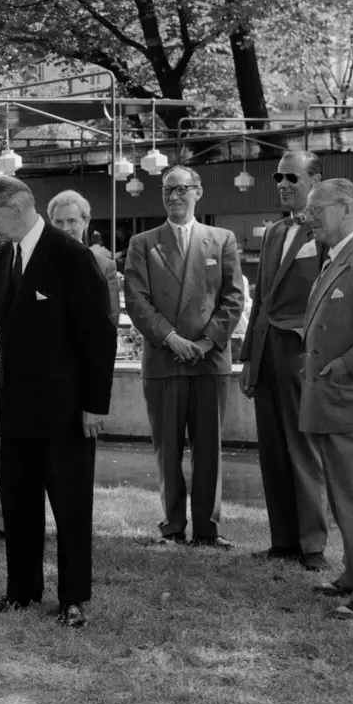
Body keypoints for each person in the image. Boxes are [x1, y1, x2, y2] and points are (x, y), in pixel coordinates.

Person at [0, 175, 116, 628]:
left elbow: (99, 334)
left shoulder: (72, 256)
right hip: (15, 405)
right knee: (18, 502)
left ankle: (73, 598)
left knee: (70, 506)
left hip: (66, 409)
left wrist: (95, 404)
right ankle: (22, 591)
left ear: (16, 208)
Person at [124, 166, 244, 548]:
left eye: (181, 189)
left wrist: (207, 342)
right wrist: (171, 338)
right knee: (168, 449)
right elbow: (136, 300)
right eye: (167, 190)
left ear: (198, 192)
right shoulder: (143, 243)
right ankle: (172, 527)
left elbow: (234, 297)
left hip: (209, 361)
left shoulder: (222, 240)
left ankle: (208, 530)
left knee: (209, 450)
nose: (174, 196)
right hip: (164, 361)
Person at [299, 179, 353, 622]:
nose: (308, 217)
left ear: (349, 209)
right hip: (337, 403)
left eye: (318, 209)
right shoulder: (339, 257)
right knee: (345, 498)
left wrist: (346, 366)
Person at [239, 151, 329, 569]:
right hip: (266, 351)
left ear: (314, 180)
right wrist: (249, 358)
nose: (284, 184)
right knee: (273, 448)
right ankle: (283, 541)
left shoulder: (326, 230)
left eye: (292, 177)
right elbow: (260, 299)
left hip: (300, 353)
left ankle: (312, 545)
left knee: (303, 448)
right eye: (279, 177)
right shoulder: (274, 231)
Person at [48, 190, 121, 327]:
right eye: (58, 222)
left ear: (86, 222)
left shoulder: (104, 266)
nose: (65, 228)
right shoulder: (36, 262)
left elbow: (110, 320)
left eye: (71, 221)